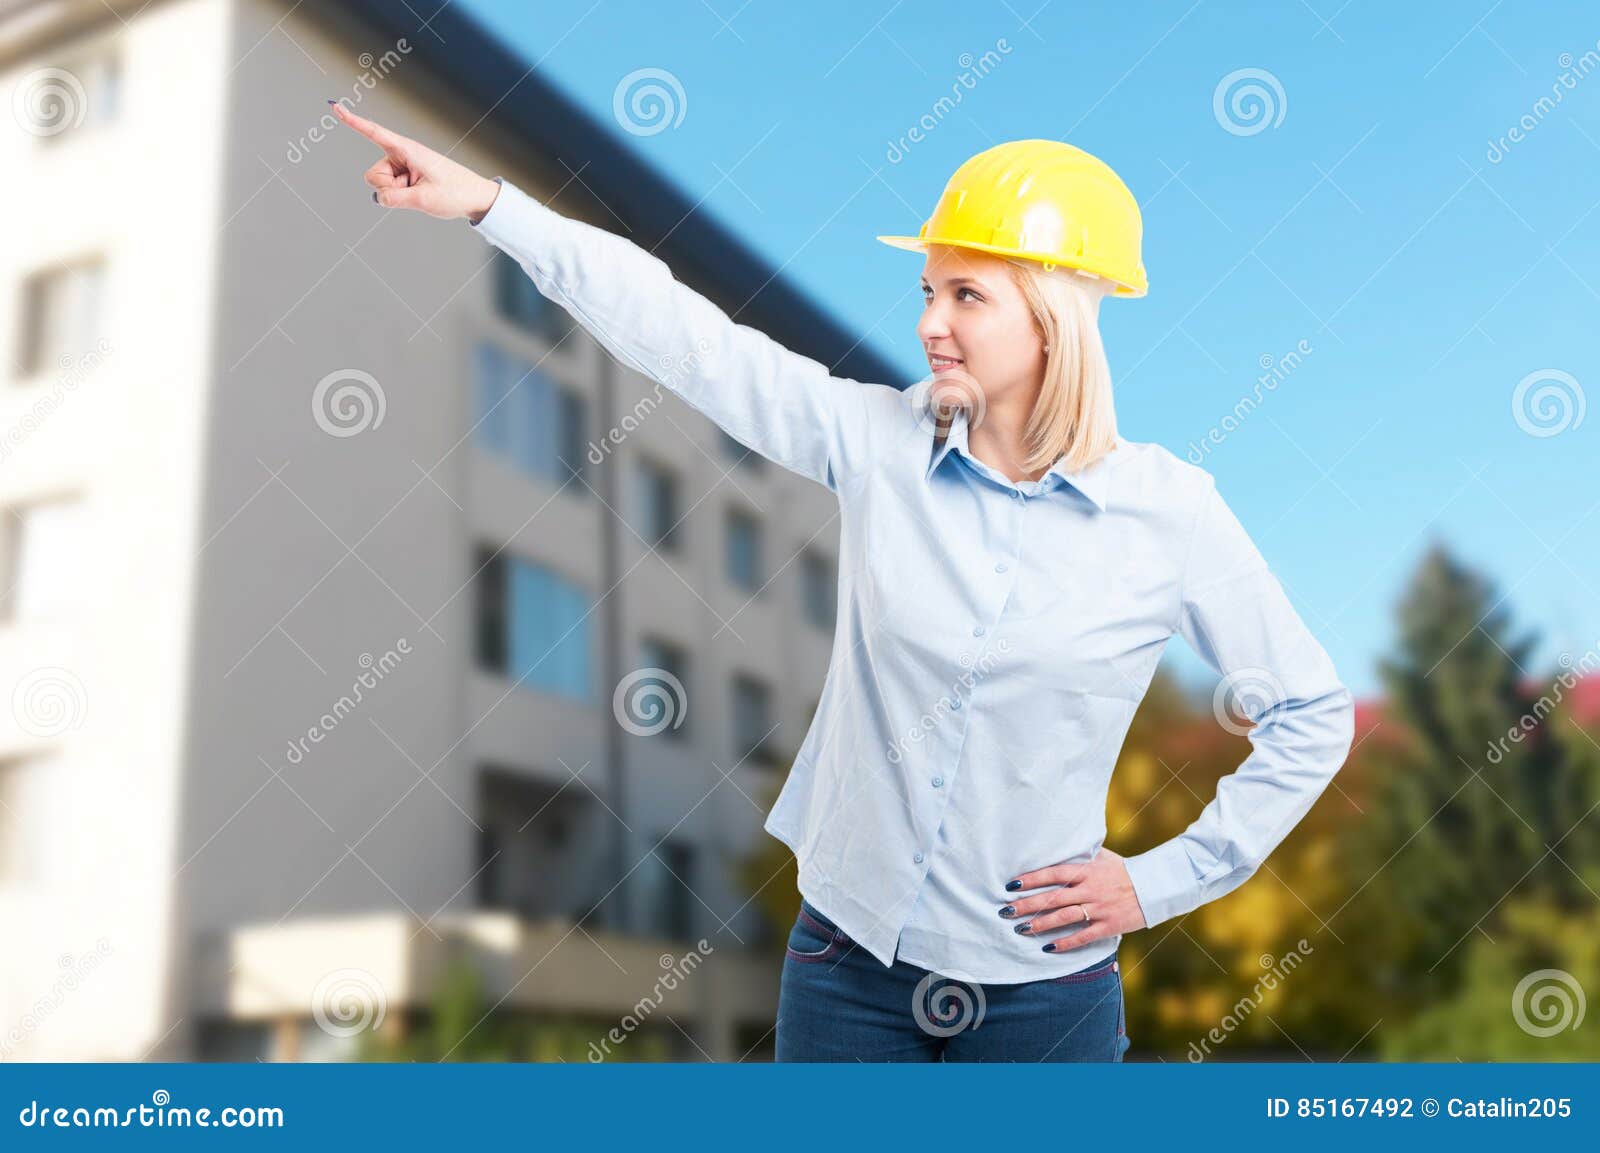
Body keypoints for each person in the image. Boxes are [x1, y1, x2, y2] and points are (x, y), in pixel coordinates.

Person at [330, 103, 1356, 1063]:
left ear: (1052, 320)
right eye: (928, 292)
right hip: (849, 966)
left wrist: (1157, 882)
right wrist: (491, 206)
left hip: (1047, 993)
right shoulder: (878, 445)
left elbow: (1310, 713)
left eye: (967, 295)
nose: (931, 324)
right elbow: (692, 342)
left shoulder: (1169, 513)